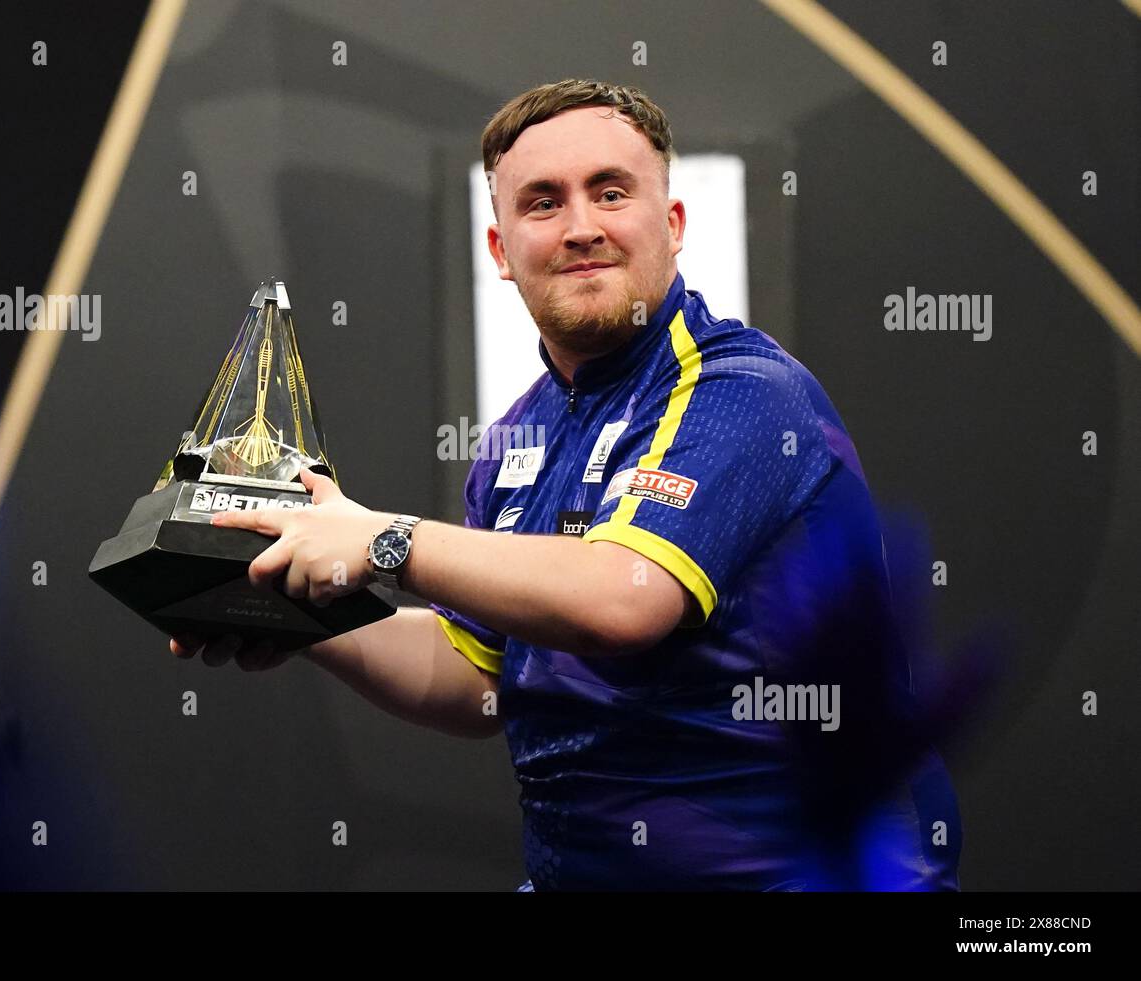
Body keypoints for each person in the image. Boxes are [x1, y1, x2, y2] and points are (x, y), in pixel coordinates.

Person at [170, 79, 962, 891]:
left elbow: (623, 599)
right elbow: (474, 675)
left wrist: (381, 536)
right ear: (501, 251)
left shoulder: (745, 390)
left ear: (674, 224)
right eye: (543, 203)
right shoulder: (519, 432)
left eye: (611, 192)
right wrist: (300, 613)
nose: (582, 227)